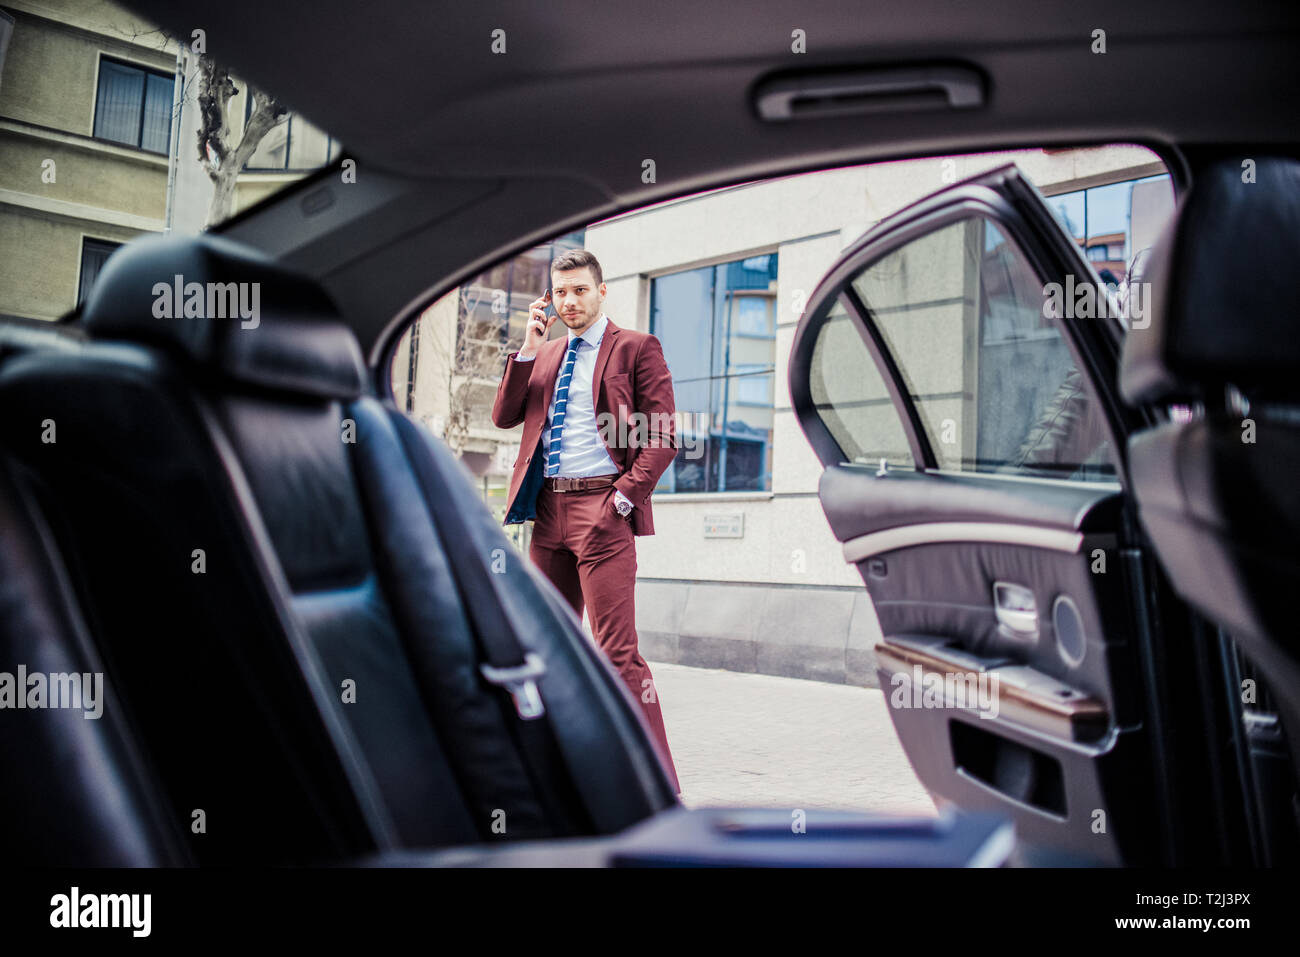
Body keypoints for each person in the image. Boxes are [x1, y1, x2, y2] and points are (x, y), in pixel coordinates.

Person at [491, 249, 681, 794]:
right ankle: (547, 778)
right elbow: (505, 416)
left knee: (618, 653)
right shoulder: (545, 355)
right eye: (560, 292)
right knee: (542, 642)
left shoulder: (635, 349)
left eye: (579, 290)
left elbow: (663, 435)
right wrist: (528, 347)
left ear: (601, 292)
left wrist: (621, 501)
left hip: (604, 511)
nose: (569, 301)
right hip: (547, 511)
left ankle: (657, 785)